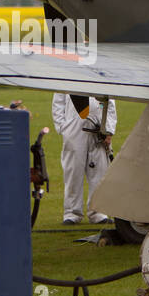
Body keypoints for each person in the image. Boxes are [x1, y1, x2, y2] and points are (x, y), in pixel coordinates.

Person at [51, 93, 117, 225]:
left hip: (99, 127)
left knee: (100, 172)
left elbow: (110, 104)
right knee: (73, 171)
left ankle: (98, 212)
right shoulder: (66, 76)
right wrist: (63, 127)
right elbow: (58, 103)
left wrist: (108, 130)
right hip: (73, 127)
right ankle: (71, 213)